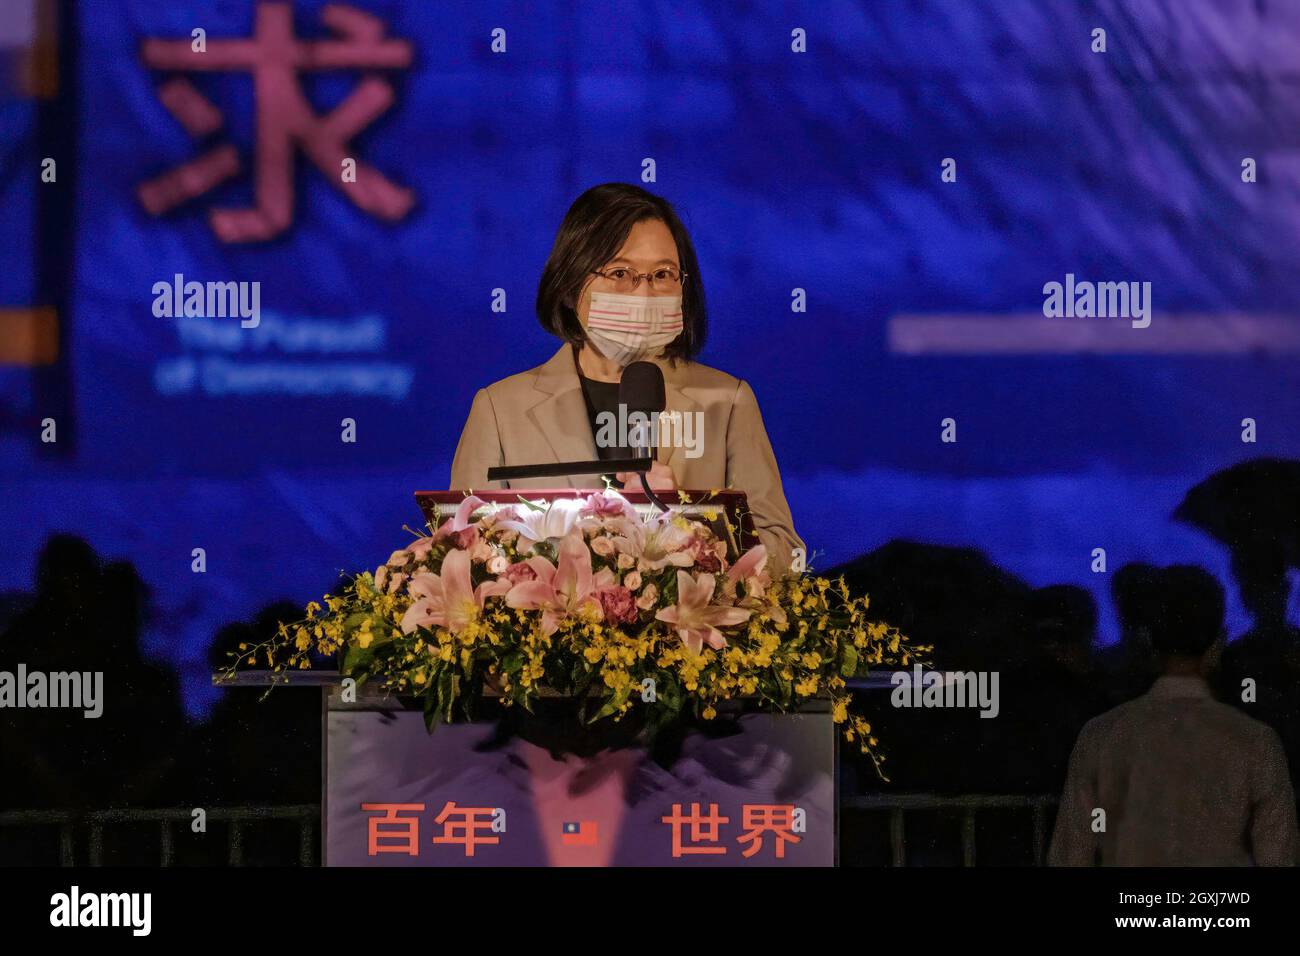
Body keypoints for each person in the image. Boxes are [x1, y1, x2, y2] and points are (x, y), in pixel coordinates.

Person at [450, 182, 803, 569]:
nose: (644, 295)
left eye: (663, 274)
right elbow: (462, 554)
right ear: (569, 287)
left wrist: (689, 526)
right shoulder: (501, 410)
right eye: (620, 272)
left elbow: (787, 554)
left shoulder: (727, 400)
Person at [1049, 565, 1298, 866]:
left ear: (1149, 642)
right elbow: (1279, 857)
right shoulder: (1257, 742)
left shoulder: (1100, 735)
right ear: (1218, 644)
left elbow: (1070, 855)